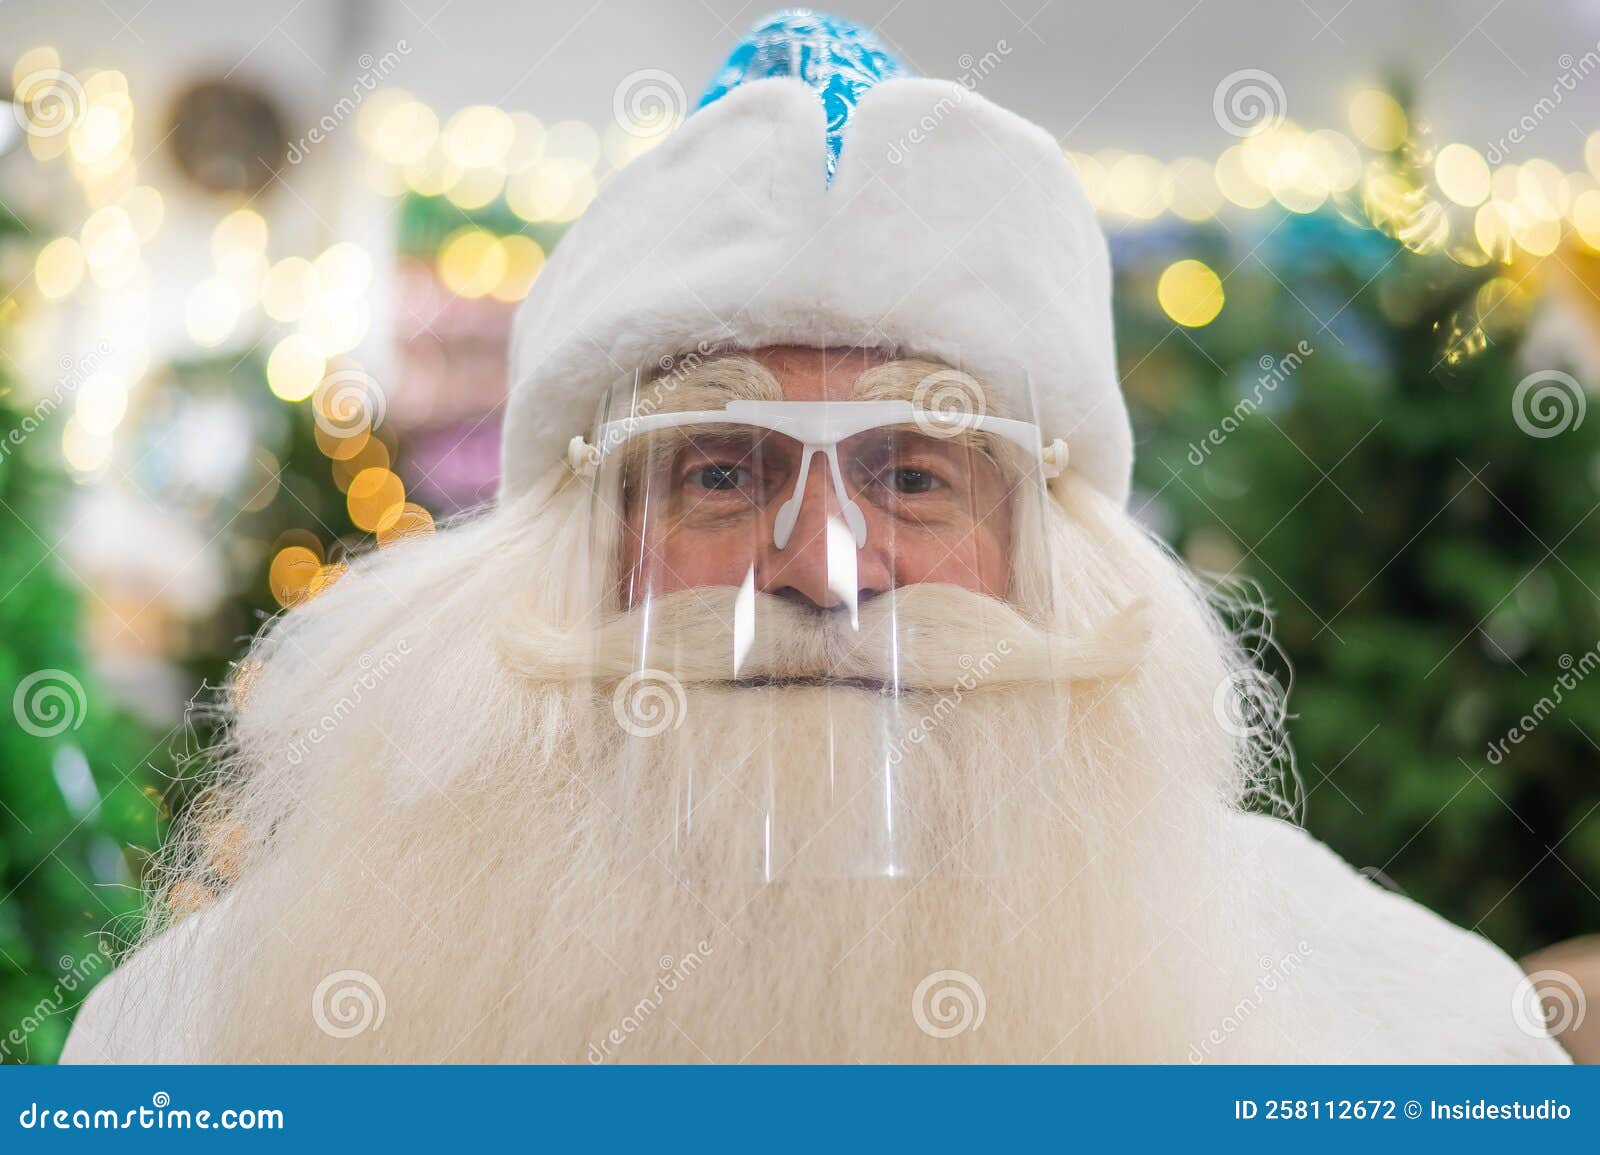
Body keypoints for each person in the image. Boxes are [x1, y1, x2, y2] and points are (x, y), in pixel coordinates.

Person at [63, 11, 1566, 1064]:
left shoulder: (1408, 1035)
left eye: (916, 476)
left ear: (1061, 560)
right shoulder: (220, 1035)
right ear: (576, 549)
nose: (819, 565)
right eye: (717, 470)